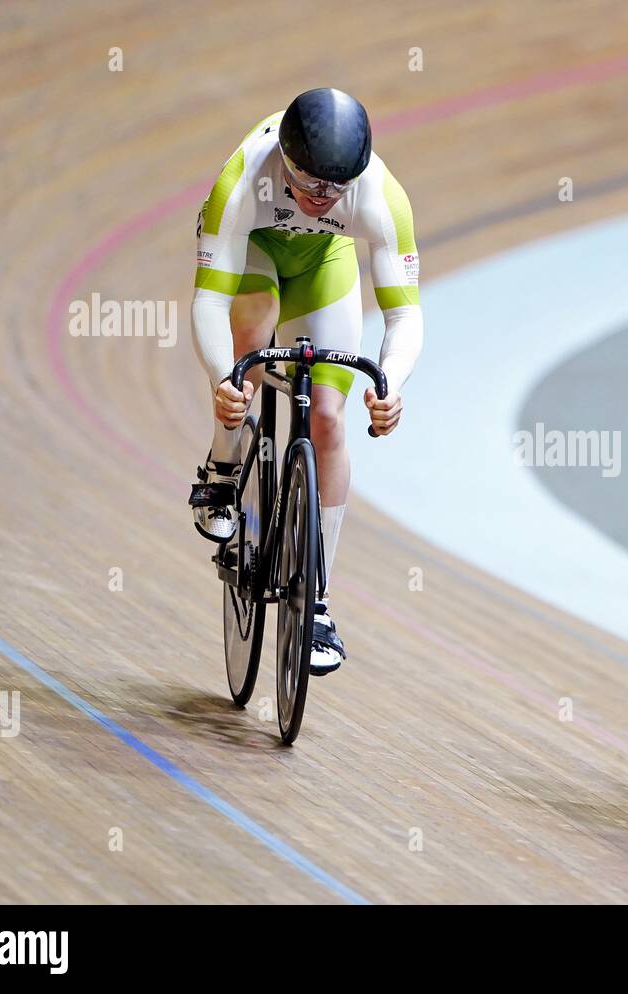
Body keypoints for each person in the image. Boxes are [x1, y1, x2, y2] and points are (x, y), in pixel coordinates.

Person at [189, 87, 423, 676]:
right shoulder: (242, 182)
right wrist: (224, 378)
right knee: (249, 338)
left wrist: (390, 382)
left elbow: (404, 315)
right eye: (311, 182)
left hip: (324, 263)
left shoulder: (379, 197)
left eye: (335, 187)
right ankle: (222, 469)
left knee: (326, 418)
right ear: (286, 163)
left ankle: (316, 602)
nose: (322, 197)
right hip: (256, 254)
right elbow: (208, 302)